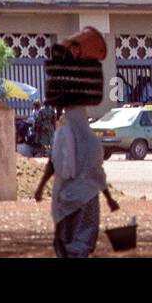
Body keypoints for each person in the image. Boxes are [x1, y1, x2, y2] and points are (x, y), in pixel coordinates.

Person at [37, 107, 108, 257]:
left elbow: (52, 164)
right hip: (86, 197)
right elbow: (97, 172)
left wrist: (41, 187)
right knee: (82, 238)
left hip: (66, 194)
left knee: (65, 237)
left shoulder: (62, 136)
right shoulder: (90, 140)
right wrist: (109, 198)